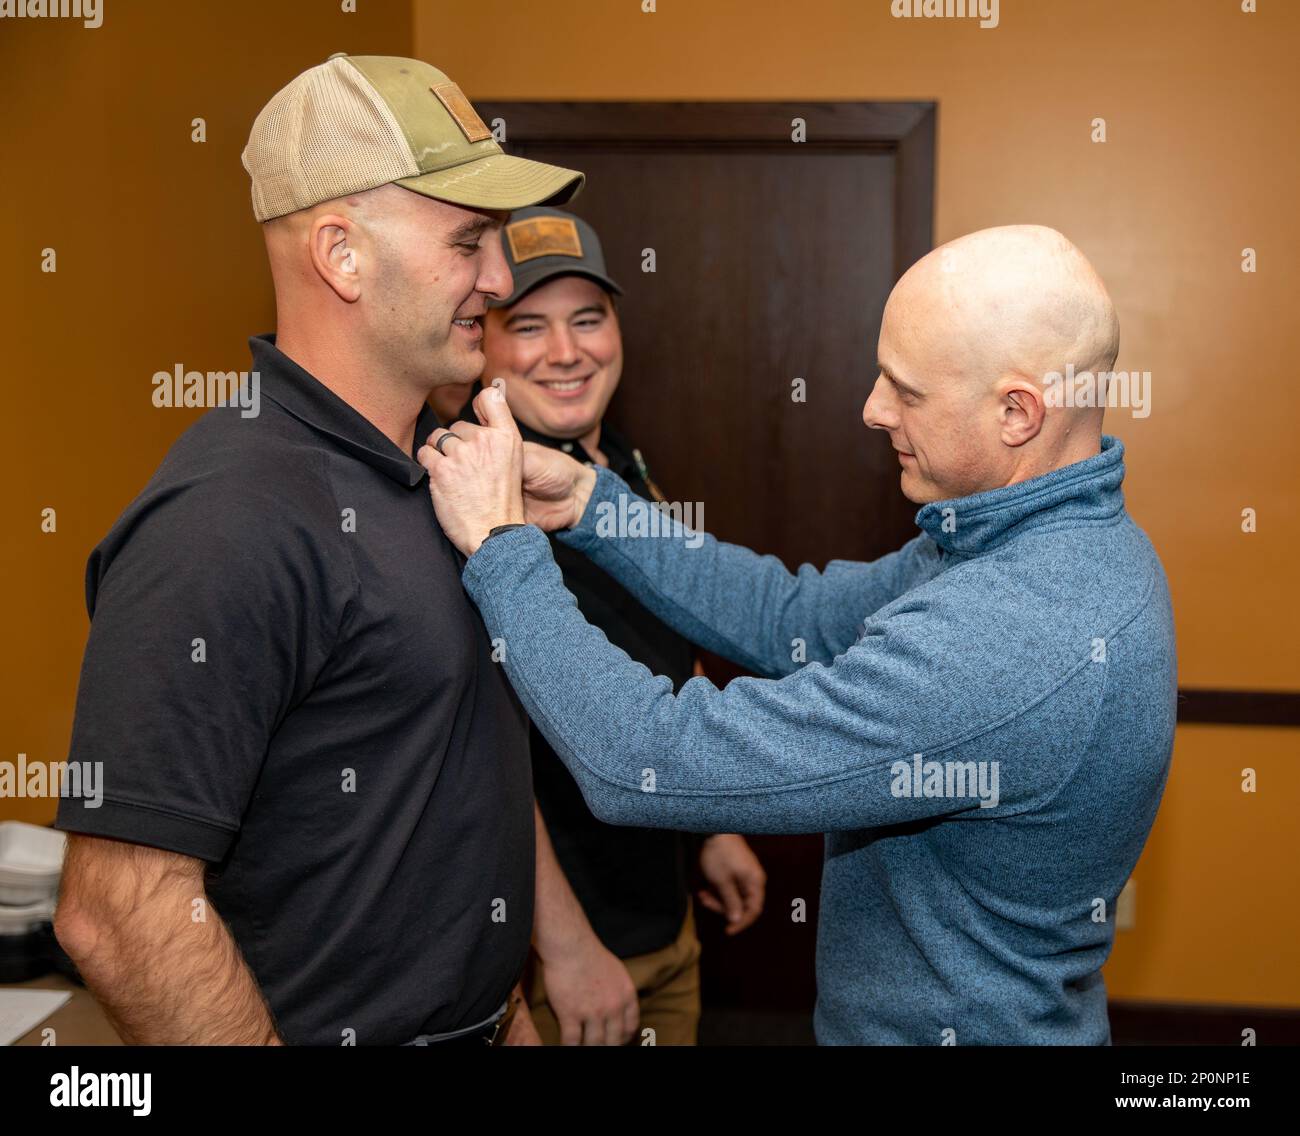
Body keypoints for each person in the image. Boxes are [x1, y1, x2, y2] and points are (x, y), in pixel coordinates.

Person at [418, 224, 1177, 1045]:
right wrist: (592, 505)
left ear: (1018, 412)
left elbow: (644, 759)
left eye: (905, 390)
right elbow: (795, 617)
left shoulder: (1011, 635)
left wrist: (502, 549)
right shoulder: (1035, 541)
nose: (872, 409)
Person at [51, 53, 582, 1046]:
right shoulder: (231, 515)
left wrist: (500, 1006)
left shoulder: (434, 468)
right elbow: (119, 910)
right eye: (469, 240)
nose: (501, 279)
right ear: (341, 254)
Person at [456, 207, 766, 1046]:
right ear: (479, 339)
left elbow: (669, 649)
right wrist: (562, 945)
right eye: (527, 326)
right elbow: (481, 756)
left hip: (664, 923)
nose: (566, 352)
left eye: (587, 319)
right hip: (564, 960)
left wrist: (715, 828)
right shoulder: (474, 493)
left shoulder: (618, 467)